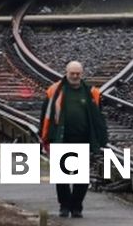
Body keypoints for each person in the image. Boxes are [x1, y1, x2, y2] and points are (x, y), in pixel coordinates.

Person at [39, 61, 108, 218]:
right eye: (72, 73)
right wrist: (44, 135)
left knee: (81, 178)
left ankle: (77, 207)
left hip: (83, 139)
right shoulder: (54, 91)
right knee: (62, 176)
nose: (75, 76)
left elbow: (98, 118)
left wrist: (101, 139)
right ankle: (64, 206)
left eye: (78, 73)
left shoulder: (91, 92)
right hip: (61, 138)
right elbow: (45, 115)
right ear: (66, 73)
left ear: (82, 74)